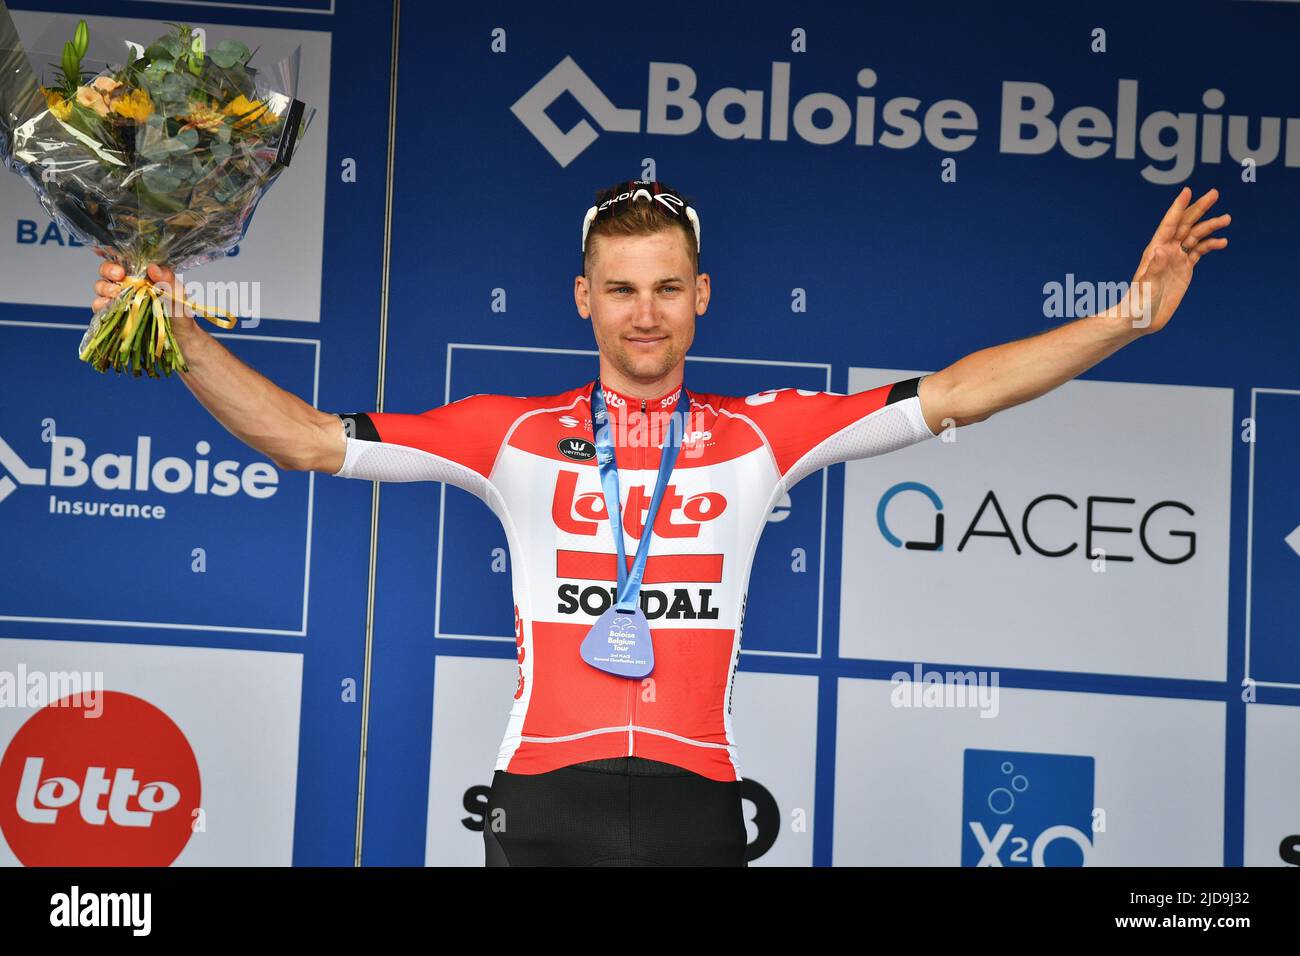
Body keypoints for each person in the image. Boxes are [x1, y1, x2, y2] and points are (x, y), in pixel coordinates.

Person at [90, 179, 1229, 867]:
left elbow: (957, 390)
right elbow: (304, 438)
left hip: (697, 805)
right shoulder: (508, 430)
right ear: (583, 295)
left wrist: (1126, 317)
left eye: (668, 286)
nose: (646, 311)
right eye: (622, 287)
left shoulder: (764, 431)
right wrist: (177, 329)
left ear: (702, 295)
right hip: (542, 800)